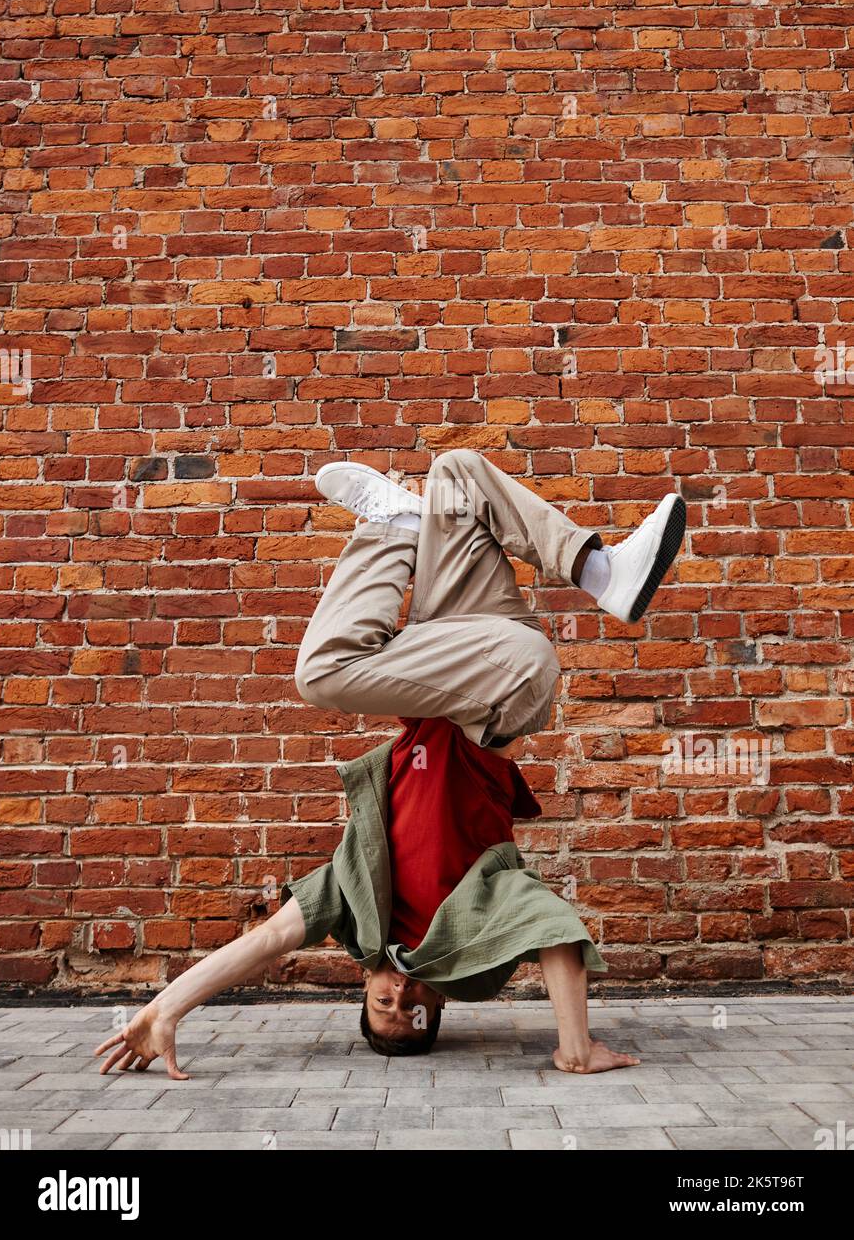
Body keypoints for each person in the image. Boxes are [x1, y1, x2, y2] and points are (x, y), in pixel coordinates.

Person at [95, 450, 686, 1079]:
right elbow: (556, 932)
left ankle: (598, 569)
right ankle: (390, 533)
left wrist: (166, 1009)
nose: (402, 997)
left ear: (365, 985)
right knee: (323, 673)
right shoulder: (472, 926)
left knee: (457, 477)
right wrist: (574, 1046)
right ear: (439, 1001)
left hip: (463, 642)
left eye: (384, 1005)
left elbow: (266, 941)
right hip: (506, 686)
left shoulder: (355, 900)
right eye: (417, 1012)